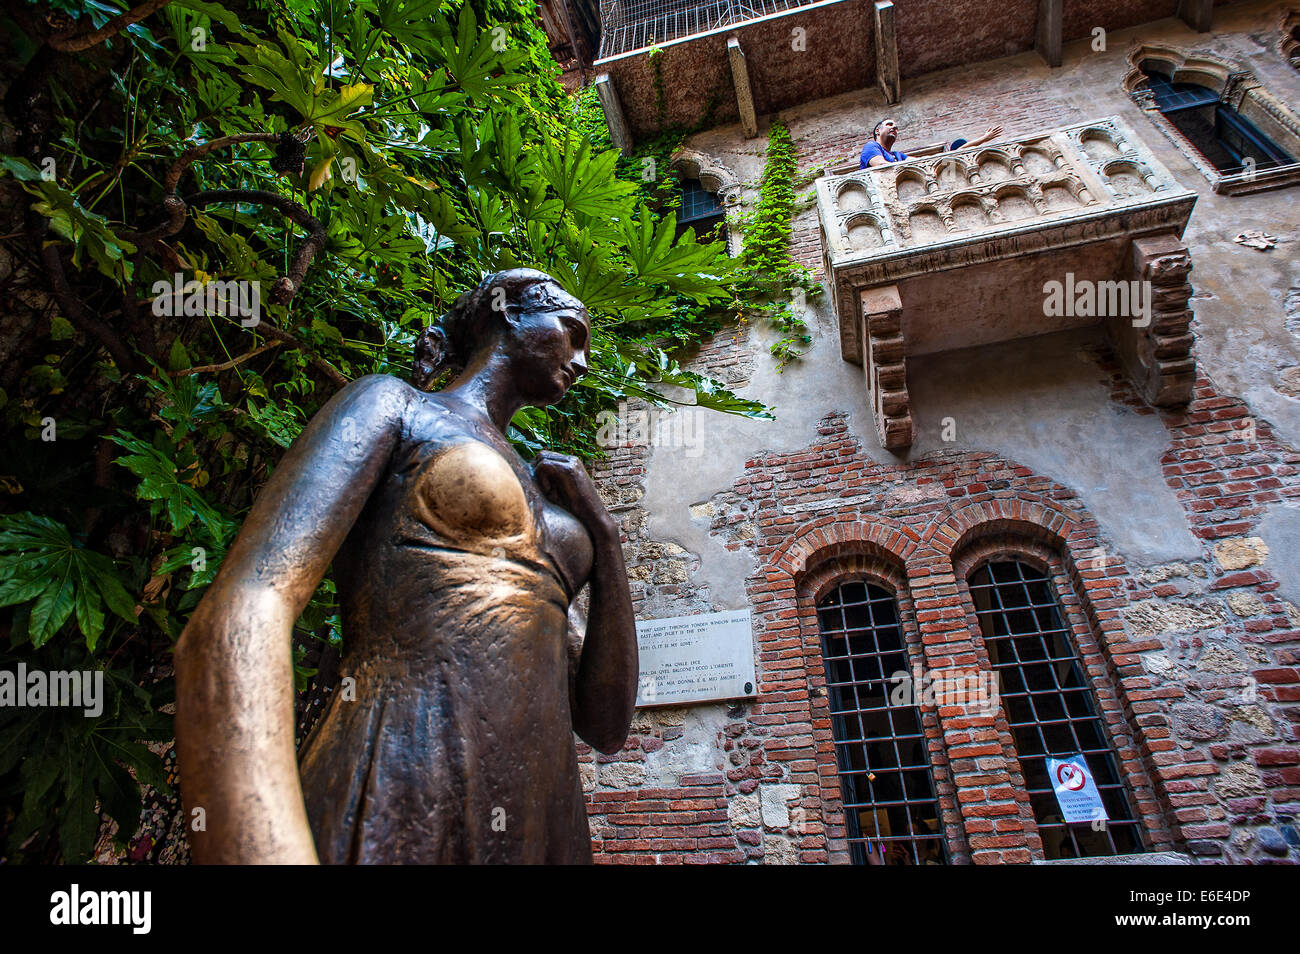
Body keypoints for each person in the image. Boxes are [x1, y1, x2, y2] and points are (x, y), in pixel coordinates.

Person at [174, 268, 639, 864]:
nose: (580, 360)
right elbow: (250, 602)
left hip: (544, 819)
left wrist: (605, 537)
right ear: (507, 313)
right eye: (571, 333)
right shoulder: (395, 406)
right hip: (406, 769)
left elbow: (605, 725)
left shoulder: (547, 495)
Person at [860, 118, 1005, 168]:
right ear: (878, 131)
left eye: (896, 128)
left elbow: (931, 162)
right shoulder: (872, 146)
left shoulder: (898, 155)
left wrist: (983, 139)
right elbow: (880, 166)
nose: (894, 128)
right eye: (890, 125)